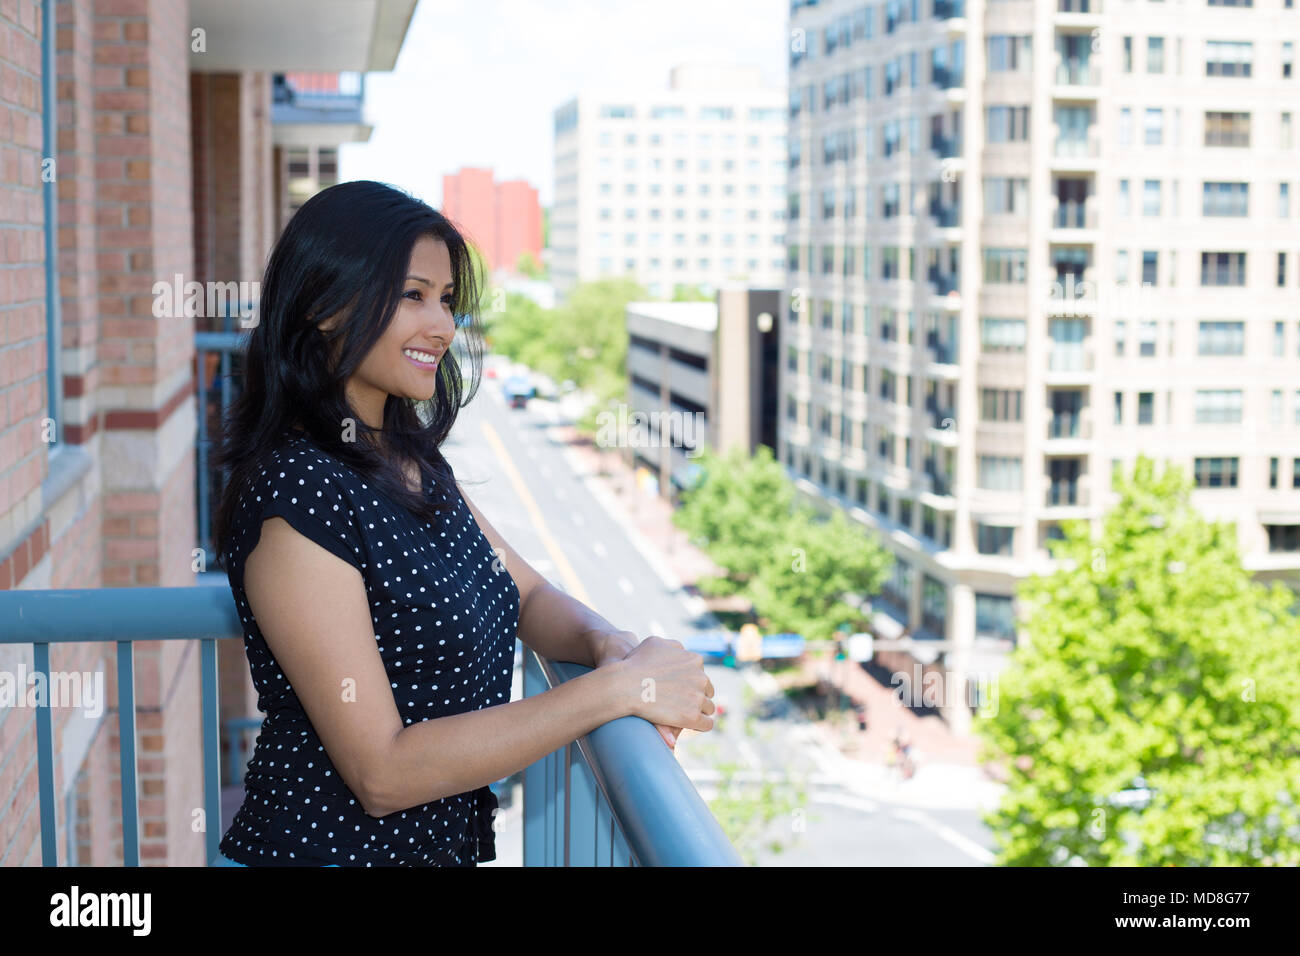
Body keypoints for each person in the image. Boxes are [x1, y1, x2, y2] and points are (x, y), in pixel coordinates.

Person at [208, 181, 715, 866]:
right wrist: (618, 689)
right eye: (412, 295)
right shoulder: (297, 491)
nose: (442, 326)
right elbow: (382, 773)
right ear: (325, 306)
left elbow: (526, 593)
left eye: (446, 300)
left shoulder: (407, 456)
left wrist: (607, 642)